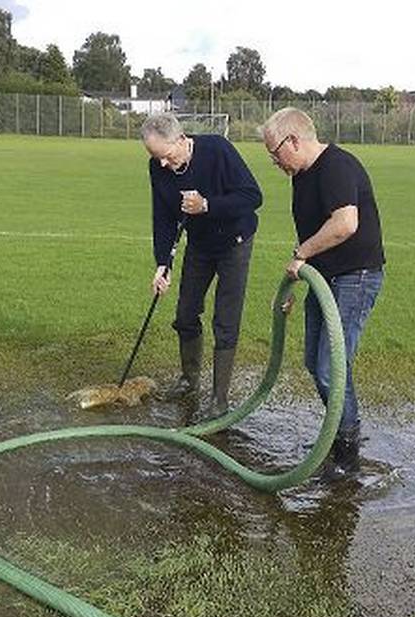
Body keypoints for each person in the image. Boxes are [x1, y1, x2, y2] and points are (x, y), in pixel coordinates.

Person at [260, 107, 385, 479]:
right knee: (315, 364)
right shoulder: (302, 176)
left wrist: (300, 256)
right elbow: (310, 237)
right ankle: (337, 435)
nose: (274, 162)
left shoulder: (336, 166)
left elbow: (345, 224)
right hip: (323, 278)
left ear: (293, 140)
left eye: (274, 153)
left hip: (354, 277)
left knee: (332, 367)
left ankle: (347, 454)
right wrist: (293, 285)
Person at [141, 113, 263, 416]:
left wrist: (208, 205)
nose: (163, 165)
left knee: (225, 320)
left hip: (235, 241)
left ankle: (219, 400)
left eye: (166, 156)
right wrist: (162, 263)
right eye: (156, 158)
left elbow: (252, 196)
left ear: (181, 140)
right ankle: (189, 380)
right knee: (185, 314)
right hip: (199, 244)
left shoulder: (218, 150)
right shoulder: (159, 168)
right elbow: (164, 217)